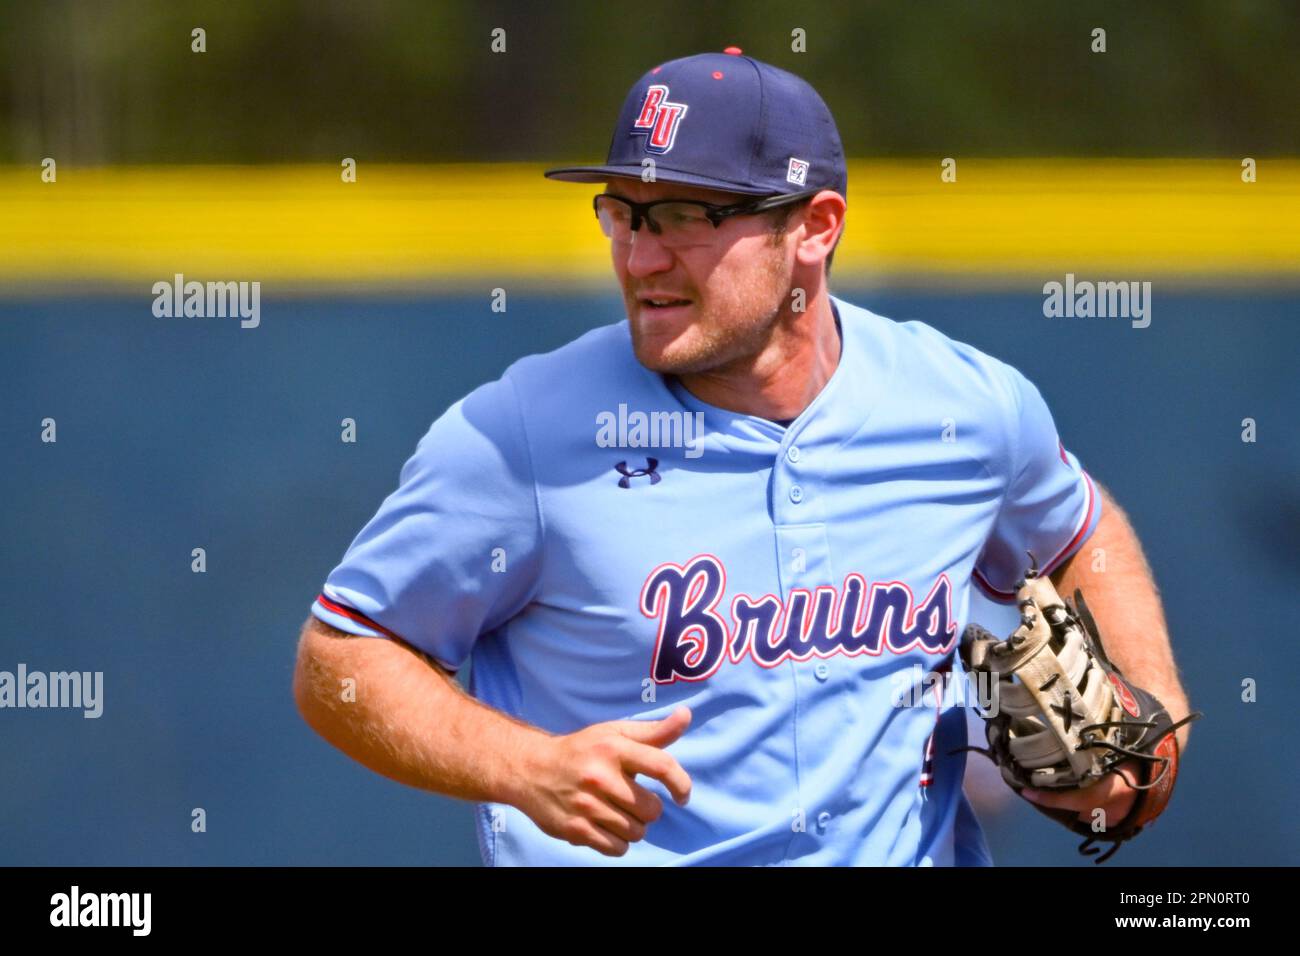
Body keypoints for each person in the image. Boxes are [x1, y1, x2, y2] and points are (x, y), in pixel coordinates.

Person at [293, 48, 1191, 865]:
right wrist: (524, 766)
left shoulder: (965, 409)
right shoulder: (519, 434)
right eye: (623, 212)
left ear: (814, 227)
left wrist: (1149, 723)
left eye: (685, 214)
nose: (640, 255)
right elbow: (342, 654)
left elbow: (1080, 529)